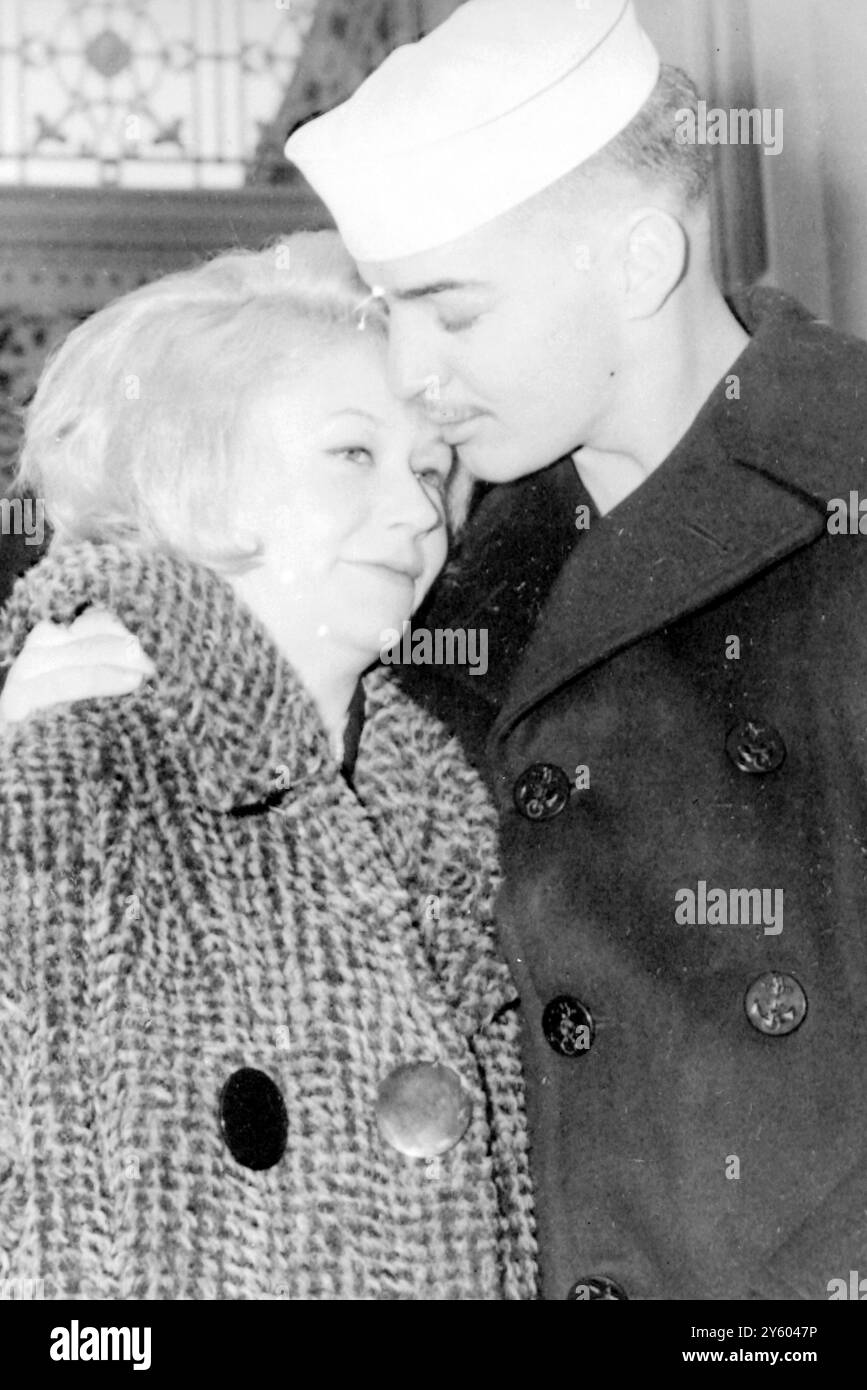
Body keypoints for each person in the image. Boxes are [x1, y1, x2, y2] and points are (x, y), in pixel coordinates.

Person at [5, 0, 867, 1301]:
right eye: (388, 312)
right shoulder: (431, 567)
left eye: (447, 312)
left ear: (633, 264)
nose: (412, 371)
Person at [0, 230, 537, 1300]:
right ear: (189, 474)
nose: (419, 510)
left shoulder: (443, 807)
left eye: (432, 469)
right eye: (354, 454)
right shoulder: (69, 773)